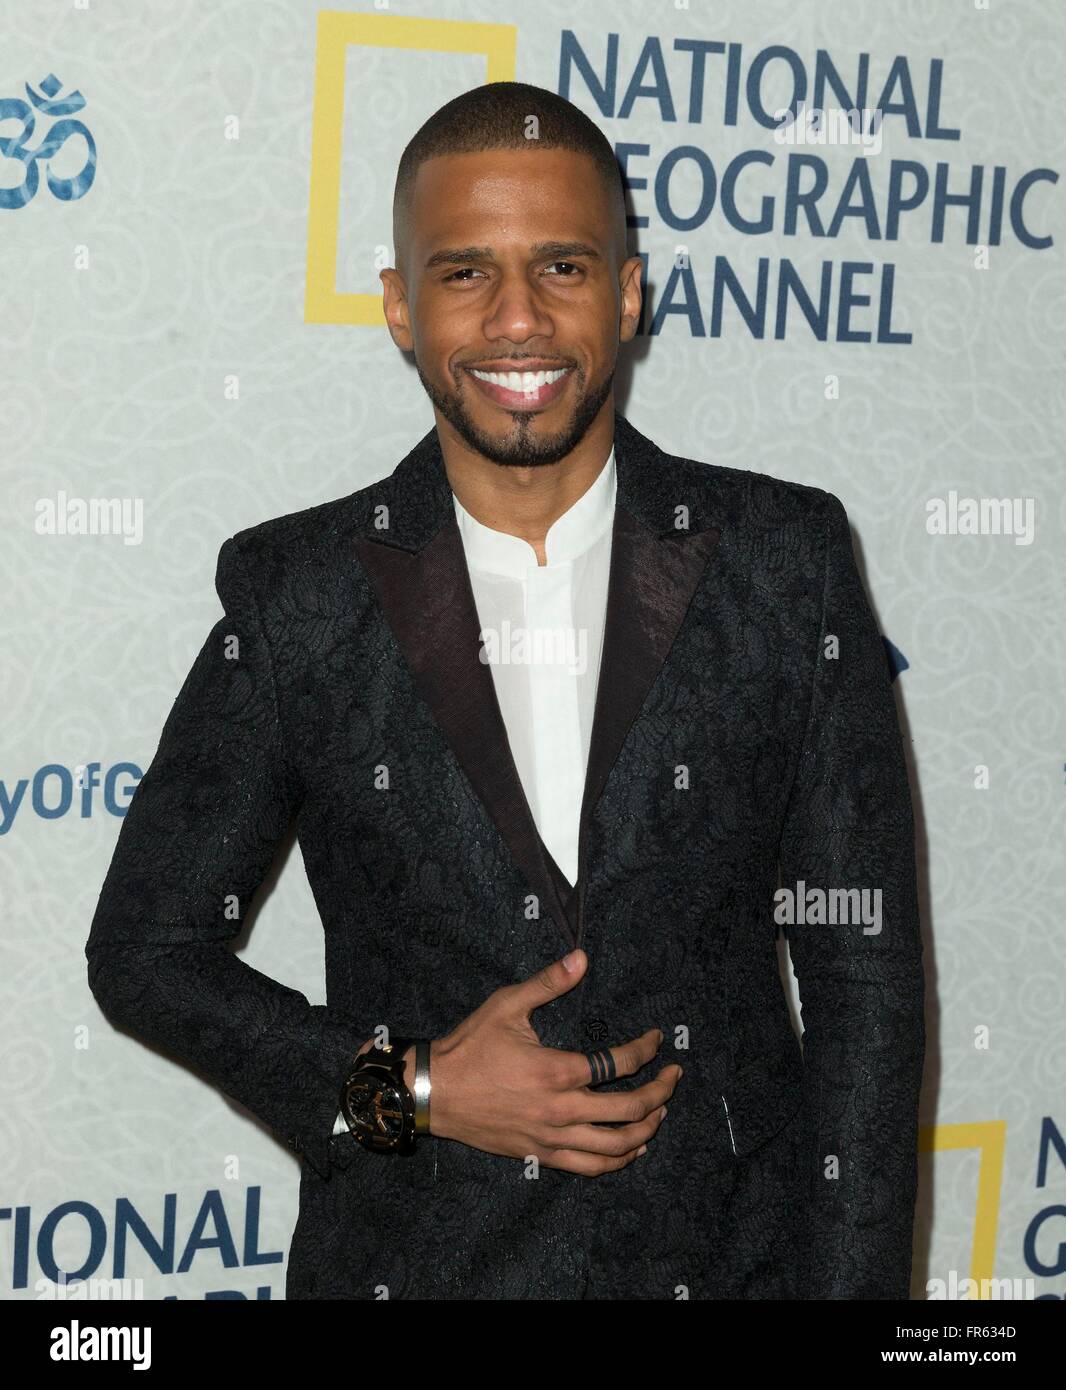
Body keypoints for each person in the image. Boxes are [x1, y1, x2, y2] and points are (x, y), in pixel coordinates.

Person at [85, 81, 925, 1300]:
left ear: (629, 294)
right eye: (466, 273)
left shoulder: (781, 561)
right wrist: (411, 1090)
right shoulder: (300, 595)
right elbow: (146, 955)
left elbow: (863, 974)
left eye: (565, 267)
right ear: (399, 308)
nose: (517, 319)